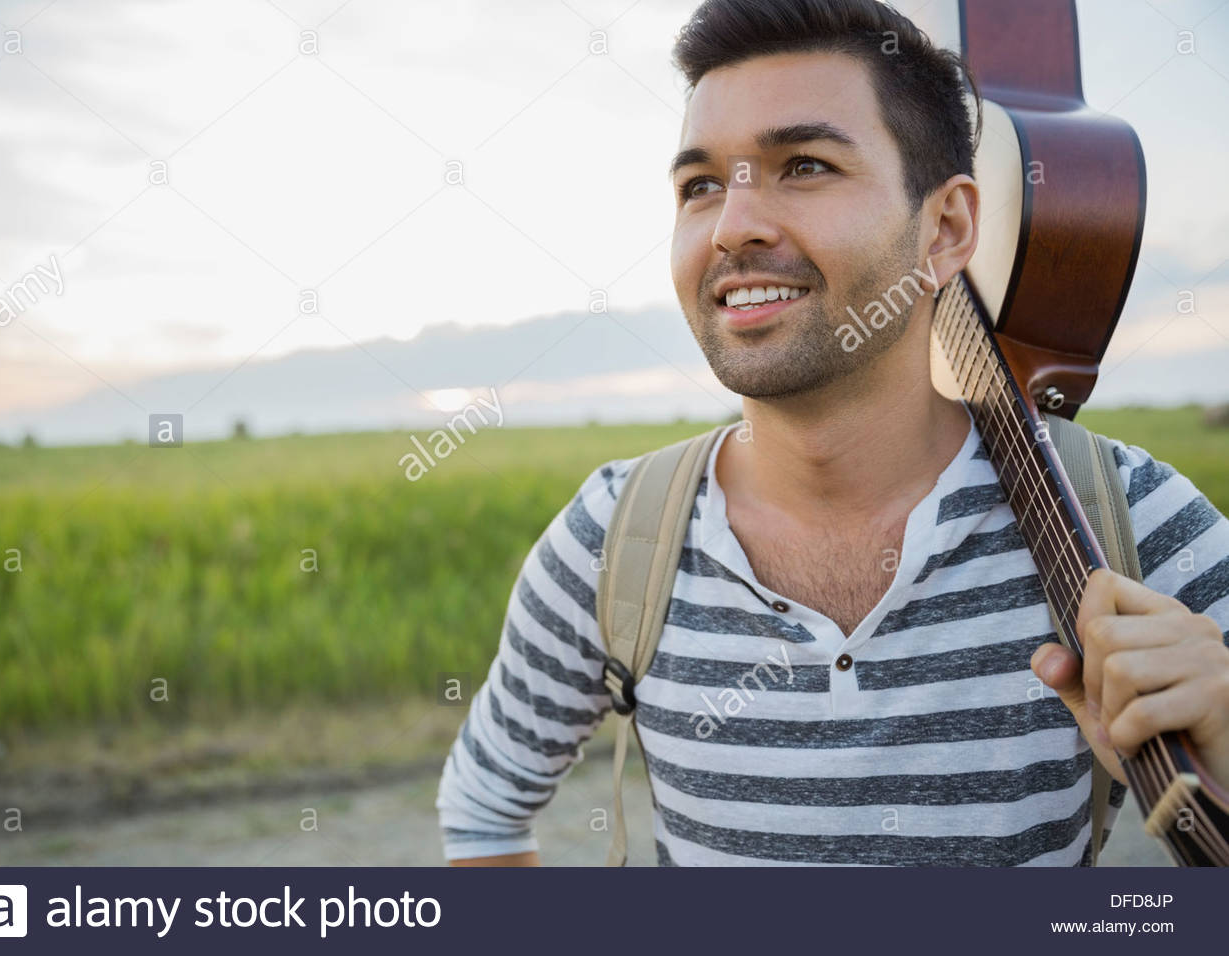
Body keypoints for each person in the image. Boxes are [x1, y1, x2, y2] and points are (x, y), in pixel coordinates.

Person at [435, 0, 1229, 866]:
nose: (733, 227)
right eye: (701, 185)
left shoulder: (1130, 523)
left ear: (948, 227)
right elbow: (484, 811)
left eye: (804, 165)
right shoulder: (618, 538)